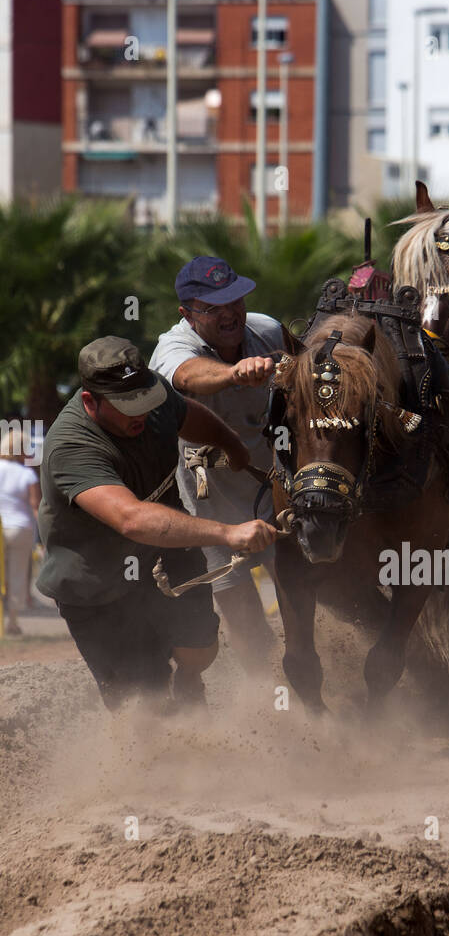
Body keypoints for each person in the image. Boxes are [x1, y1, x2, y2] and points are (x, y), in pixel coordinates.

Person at [37, 336, 276, 712]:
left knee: (201, 650)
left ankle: (187, 677)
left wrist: (231, 444)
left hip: (165, 553)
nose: (142, 414)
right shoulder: (71, 447)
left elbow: (184, 413)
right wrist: (229, 533)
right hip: (97, 589)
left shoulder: (150, 394)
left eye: (146, 402)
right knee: (143, 702)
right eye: (128, 408)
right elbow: (131, 519)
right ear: (89, 402)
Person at [149, 256, 283, 673]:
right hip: (211, 503)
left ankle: (319, 676)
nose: (230, 313)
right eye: (213, 308)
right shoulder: (172, 347)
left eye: (235, 300)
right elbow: (188, 377)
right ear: (186, 314)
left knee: (303, 590)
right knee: (240, 608)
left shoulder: (267, 330)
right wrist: (234, 373)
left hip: (275, 490)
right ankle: (264, 695)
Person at [0, 431, 39, 635]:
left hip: (0, 526)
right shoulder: (27, 474)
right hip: (20, 528)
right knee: (17, 575)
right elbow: (36, 506)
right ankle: (12, 622)